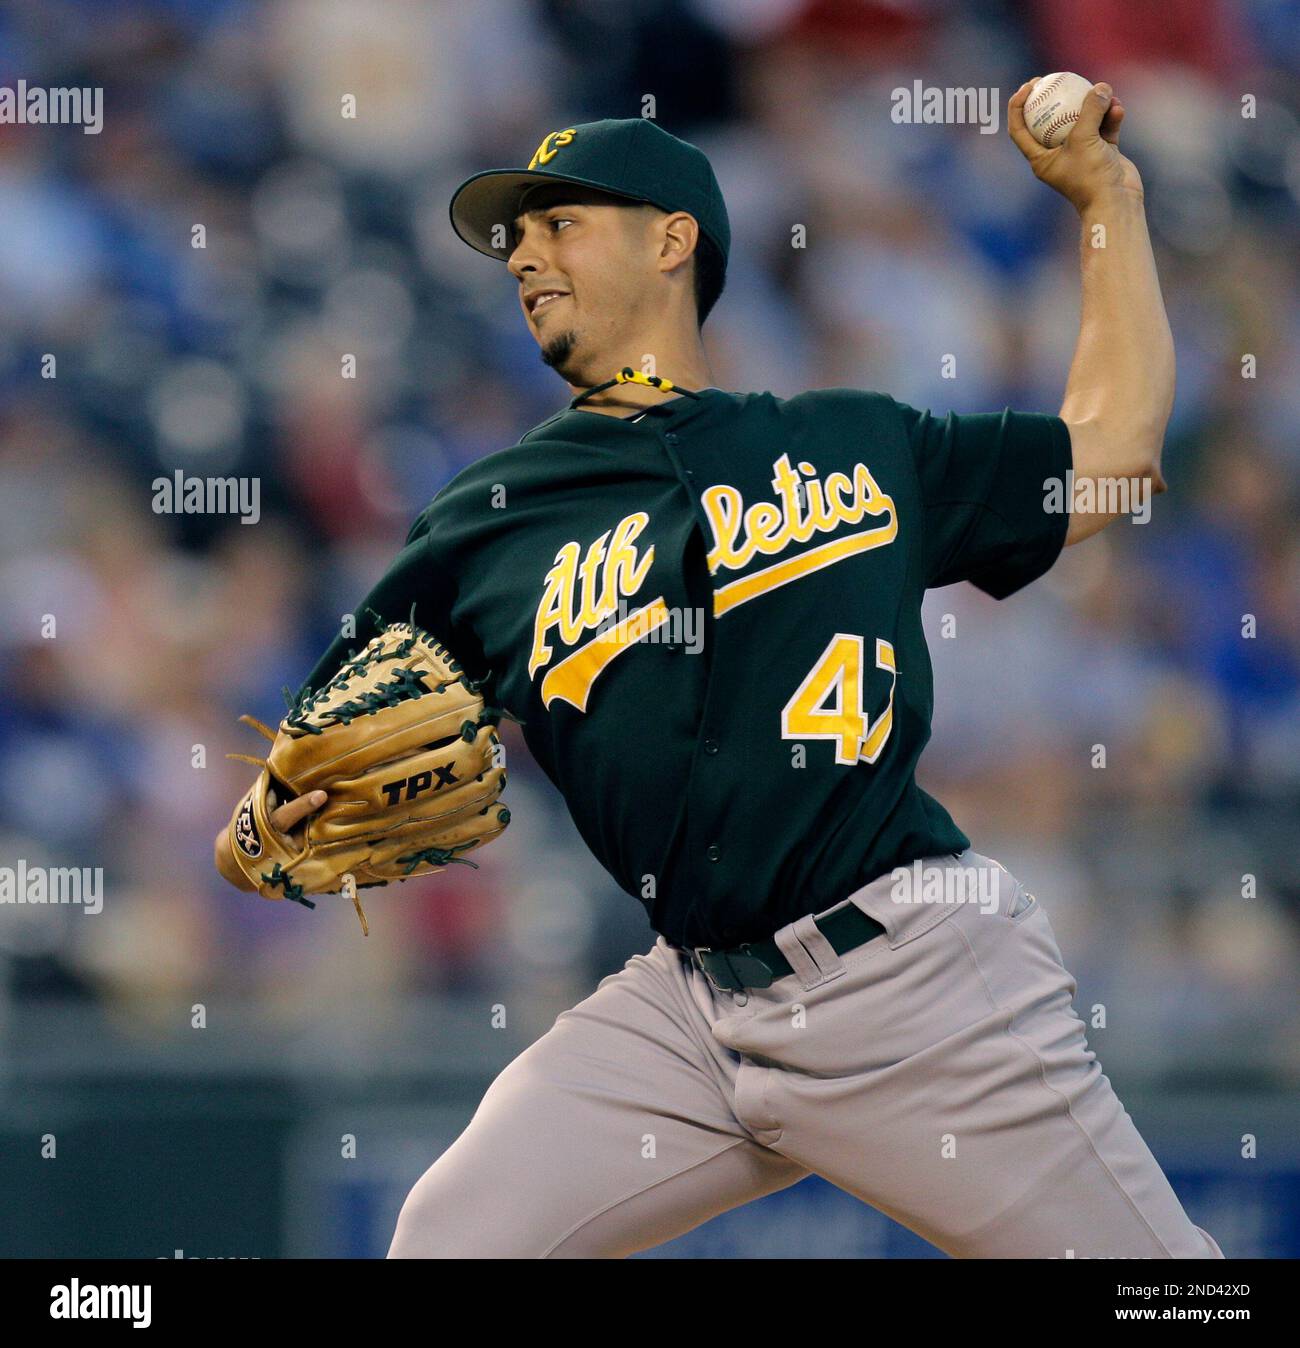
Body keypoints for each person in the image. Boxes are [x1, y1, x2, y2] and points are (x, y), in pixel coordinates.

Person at [218, 85, 1224, 1258]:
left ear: (672, 238)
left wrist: (1107, 198)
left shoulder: (859, 442)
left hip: (912, 984)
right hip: (688, 1015)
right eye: (515, 238)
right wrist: (265, 829)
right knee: (448, 1236)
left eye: (559, 223)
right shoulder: (485, 521)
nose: (524, 256)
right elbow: (318, 755)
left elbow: (1112, 456)